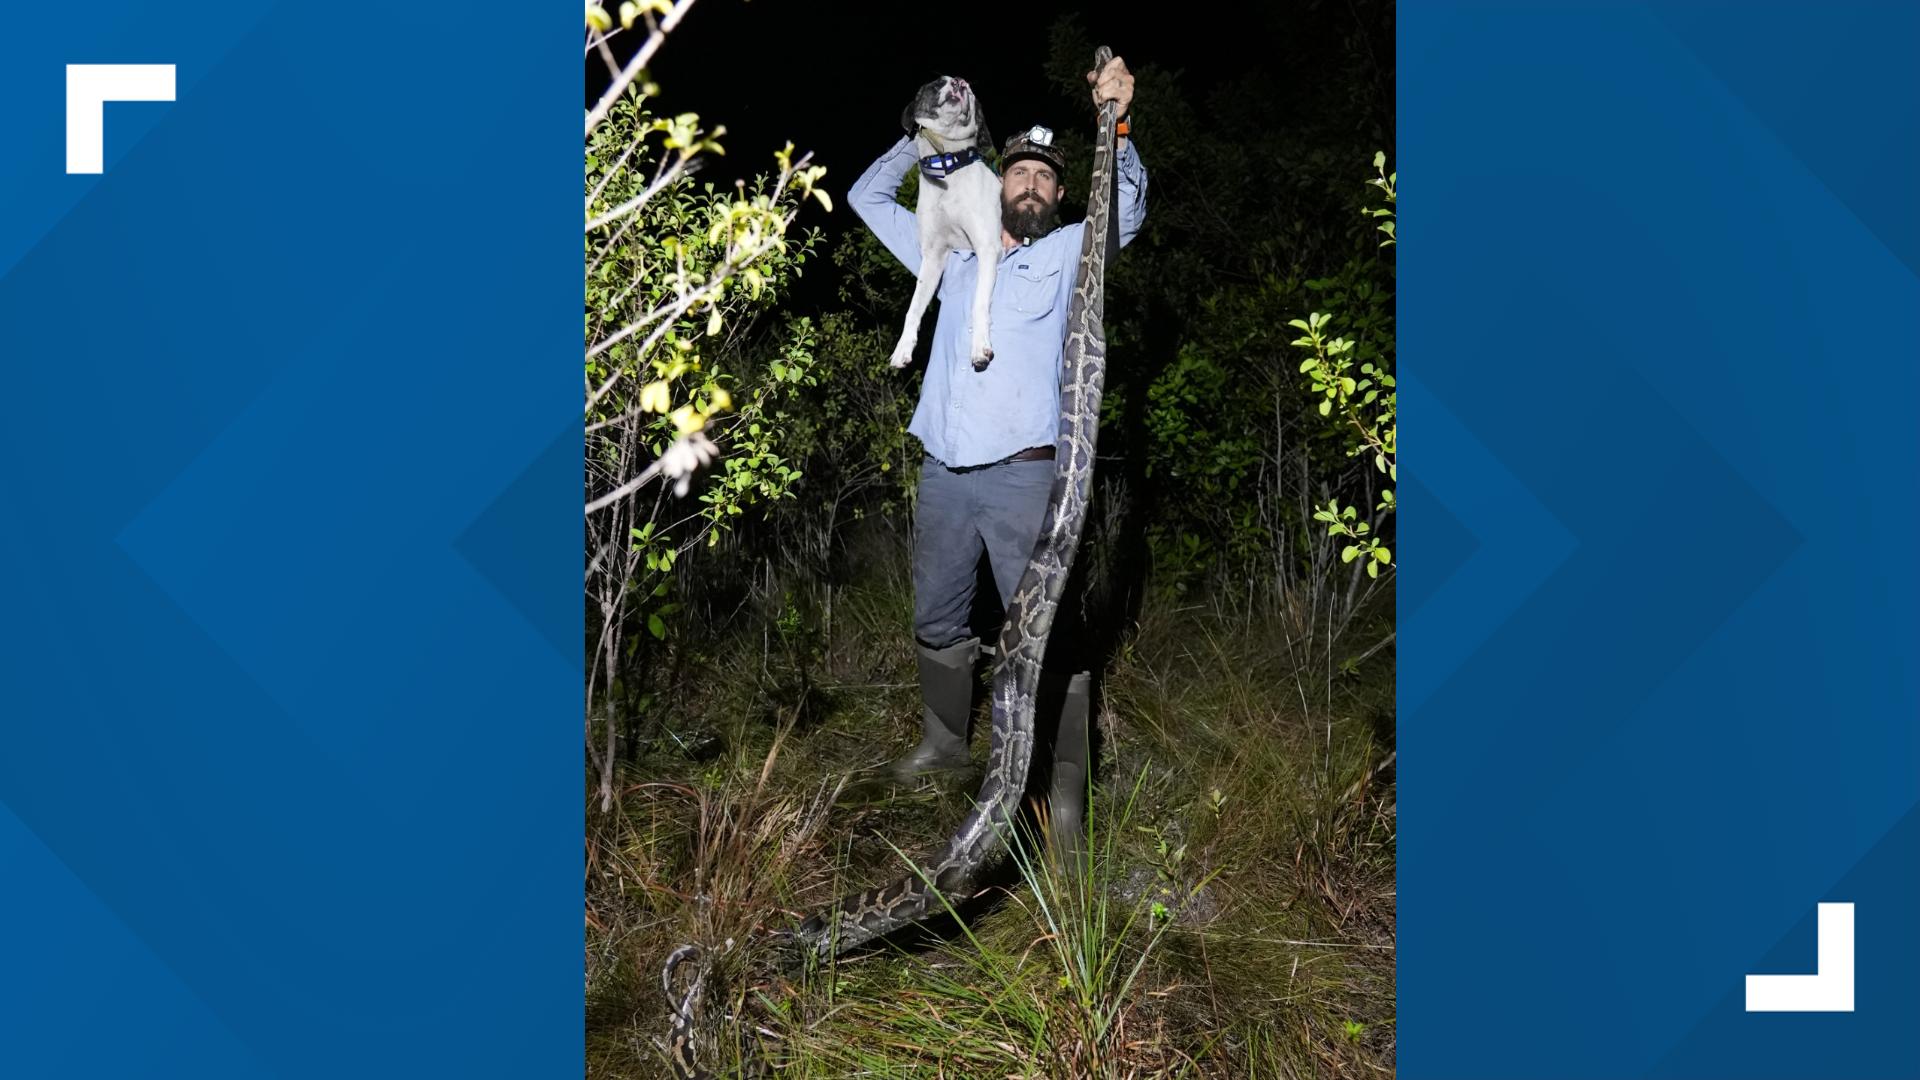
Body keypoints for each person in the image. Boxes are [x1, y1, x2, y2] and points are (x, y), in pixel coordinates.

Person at [847, 55, 1146, 857]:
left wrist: (1115, 126)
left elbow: (1125, 213)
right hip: (944, 471)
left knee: (1050, 634)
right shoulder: (946, 254)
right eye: (1019, 170)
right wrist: (924, 141)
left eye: (1047, 177)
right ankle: (946, 743)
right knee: (938, 617)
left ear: (1059, 192)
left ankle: (1065, 798)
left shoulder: (1073, 253)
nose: (1032, 184)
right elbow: (865, 198)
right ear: (997, 177)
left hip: (1027, 476)